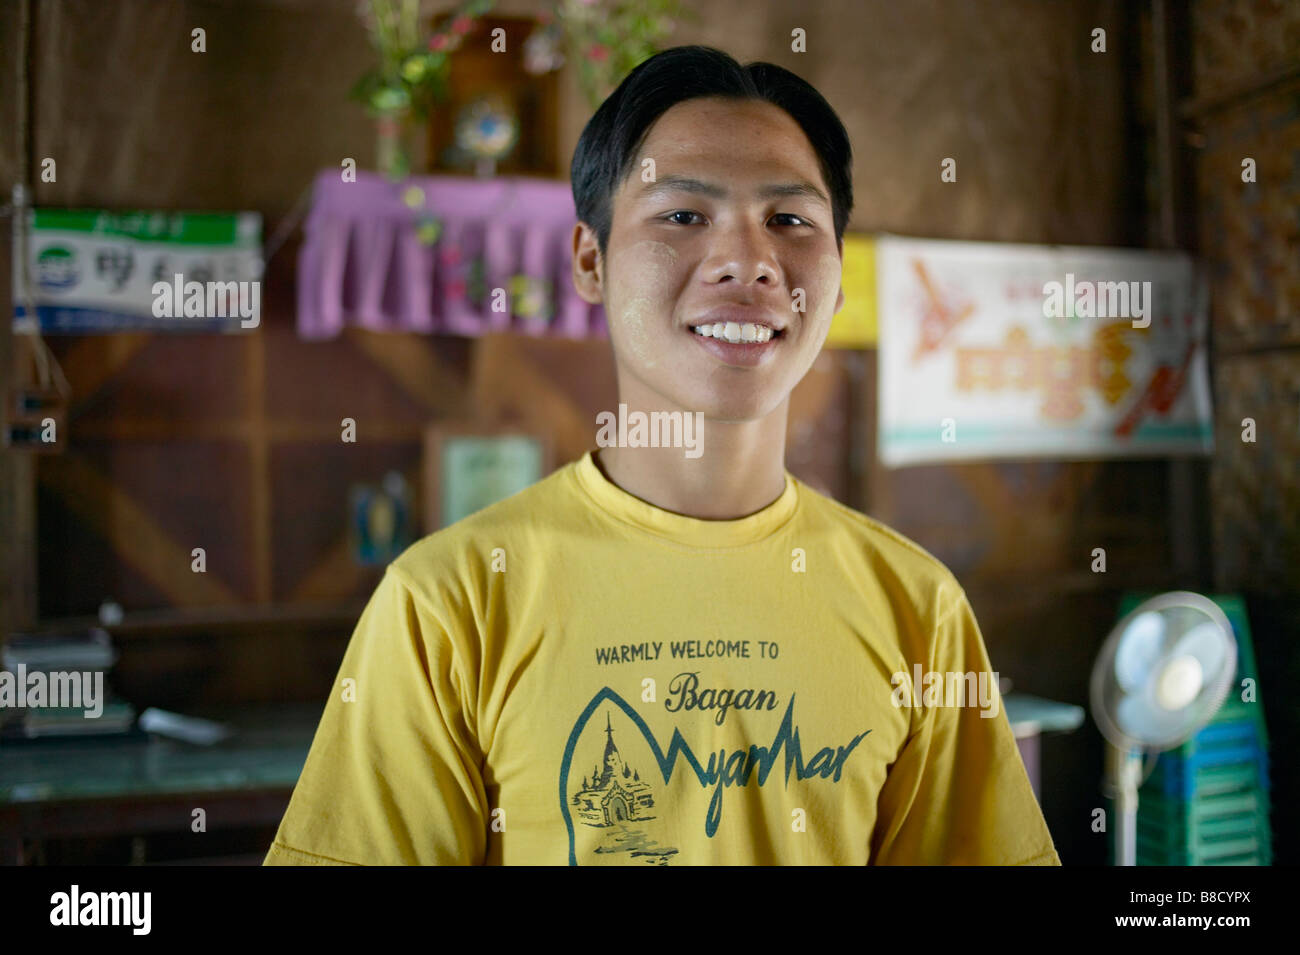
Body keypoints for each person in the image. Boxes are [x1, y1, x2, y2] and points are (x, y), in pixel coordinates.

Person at [264, 45, 1059, 866]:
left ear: (837, 274)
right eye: (682, 215)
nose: (747, 260)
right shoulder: (448, 604)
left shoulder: (918, 608)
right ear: (590, 261)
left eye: (790, 220)